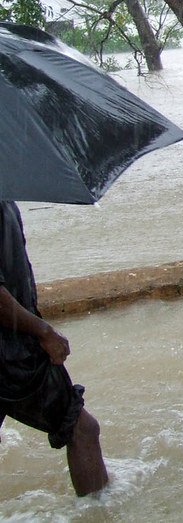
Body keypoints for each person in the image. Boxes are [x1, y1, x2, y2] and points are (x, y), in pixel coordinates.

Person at [0, 200, 108, 496]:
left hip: (15, 343)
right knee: (81, 428)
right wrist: (43, 331)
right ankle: (99, 513)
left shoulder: (6, 196)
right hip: (13, 353)